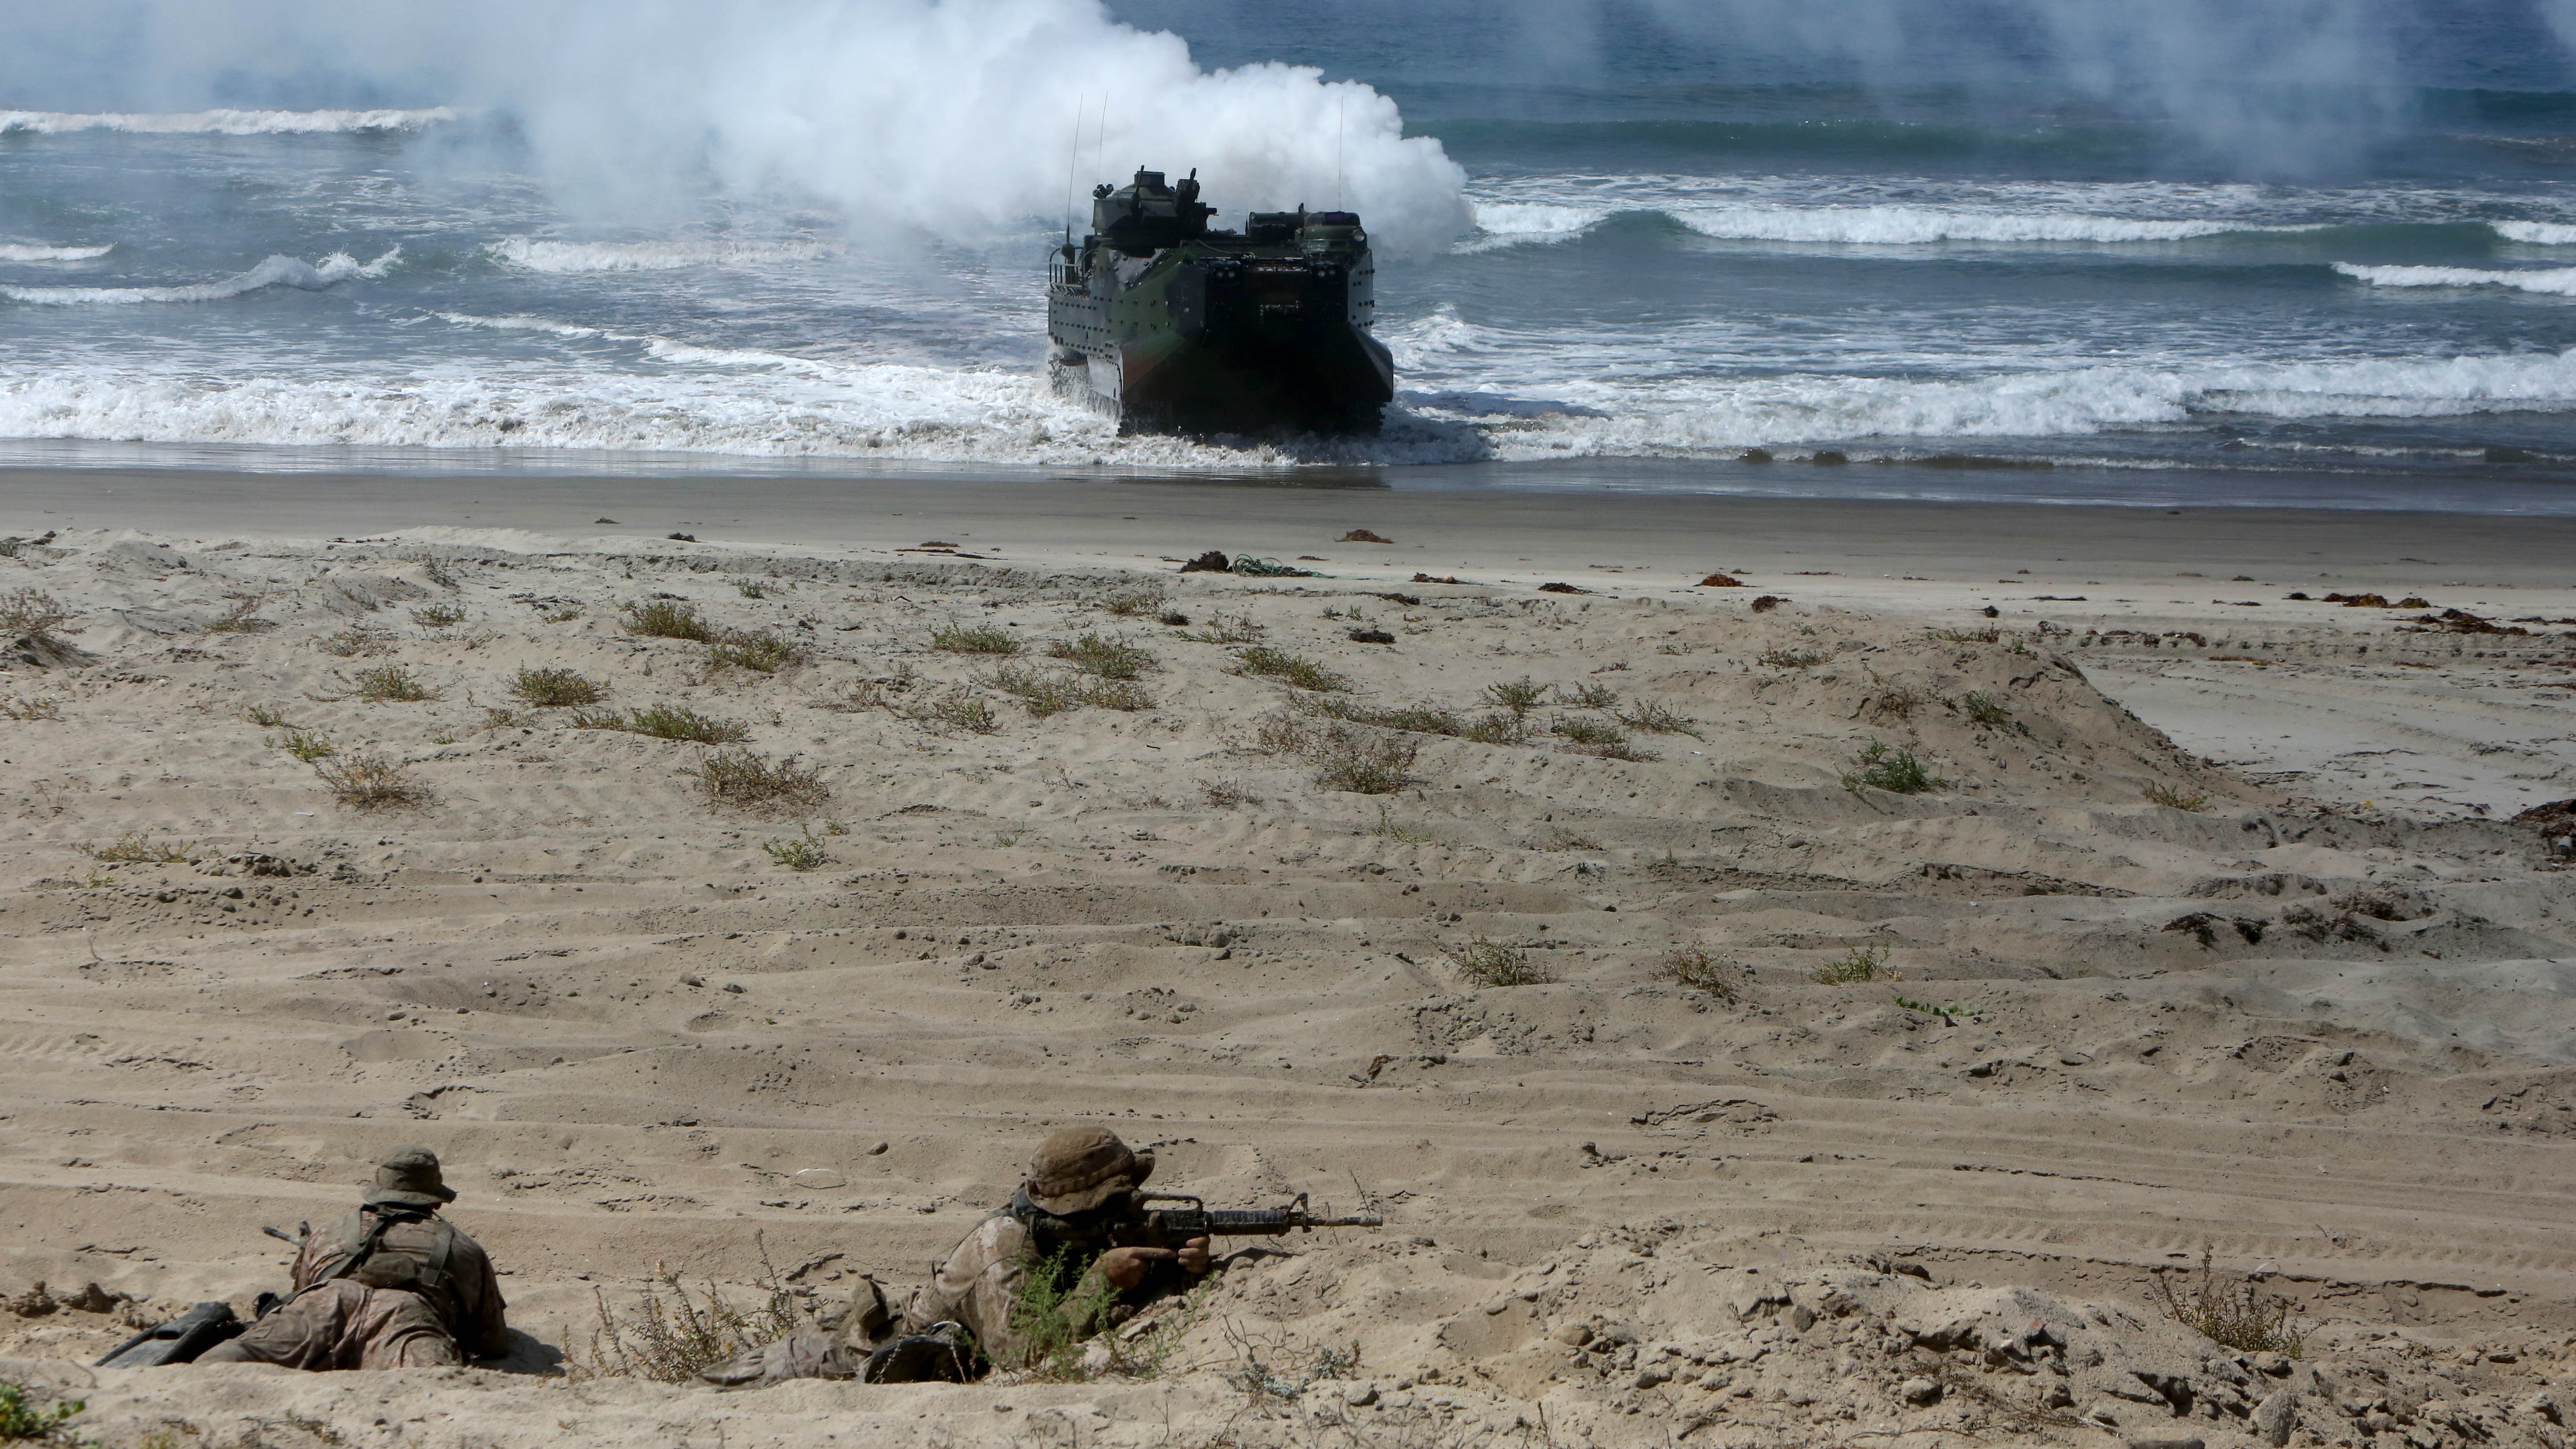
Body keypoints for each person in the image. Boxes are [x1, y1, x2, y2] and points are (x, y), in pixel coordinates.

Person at [704, 1126, 1208, 1387]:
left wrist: (1180, 1265)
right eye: (1111, 1203)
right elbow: (1019, 1353)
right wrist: (1100, 1282)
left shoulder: (1072, 1236)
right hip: (836, 1366)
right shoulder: (1003, 1248)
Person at [199, 1146, 507, 1370]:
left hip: (326, 1303)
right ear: (437, 1202)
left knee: (224, 1360)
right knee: (436, 1383)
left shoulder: (328, 1231)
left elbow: (304, 1290)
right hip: (405, 1316)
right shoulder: (466, 1249)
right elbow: (491, 1343)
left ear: (377, 1190)